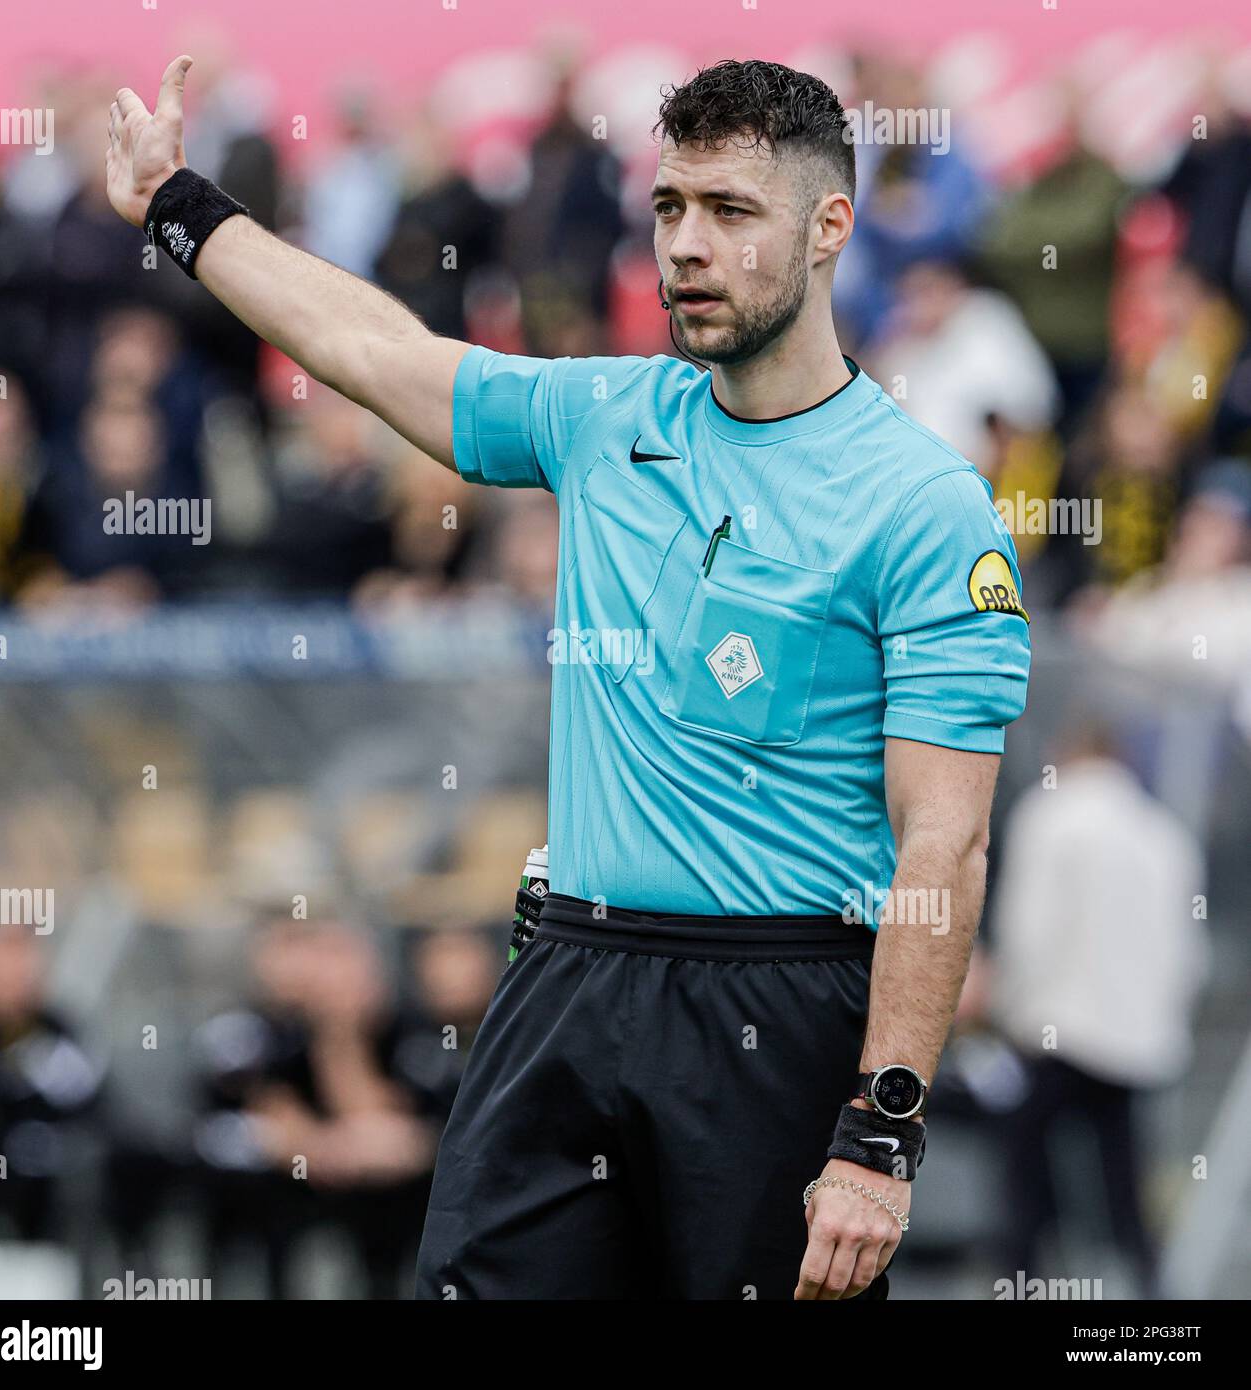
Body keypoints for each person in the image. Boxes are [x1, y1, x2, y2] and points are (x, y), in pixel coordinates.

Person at [104, 55, 1031, 1300]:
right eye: (668, 208)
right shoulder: (603, 416)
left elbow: (945, 847)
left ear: (828, 230)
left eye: (730, 212)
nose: (685, 247)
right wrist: (179, 204)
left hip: (779, 1012)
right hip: (570, 981)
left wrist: (882, 1128)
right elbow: (373, 348)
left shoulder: (925, 505)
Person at [987, 722, 1208, 1298]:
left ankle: (1023, 1281)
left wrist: (1008, 1006)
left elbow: (1027, 928)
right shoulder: (1164, 833)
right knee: (1122, 1179)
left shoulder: (1051, 814)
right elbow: (1188, 952)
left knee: (1027, 1169)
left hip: (1056, 1028)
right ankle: (1150, 1293)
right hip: (1134, 1040)